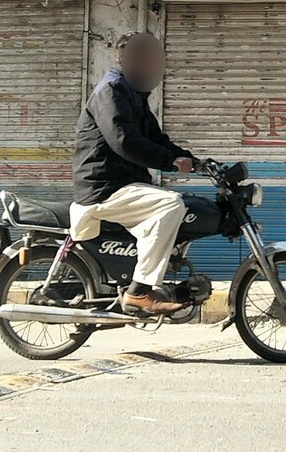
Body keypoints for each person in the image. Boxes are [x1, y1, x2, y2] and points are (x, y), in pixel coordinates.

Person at [71, 32, 195, 316]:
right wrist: (170, 161)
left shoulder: (135, 96)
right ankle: (139, 292)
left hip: (123, 183)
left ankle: (149, 278)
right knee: (170, 205)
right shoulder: (111, 90)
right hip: (103, 185)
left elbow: (155, 139)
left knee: (179, 207)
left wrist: (194, 161)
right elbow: (124, 140)